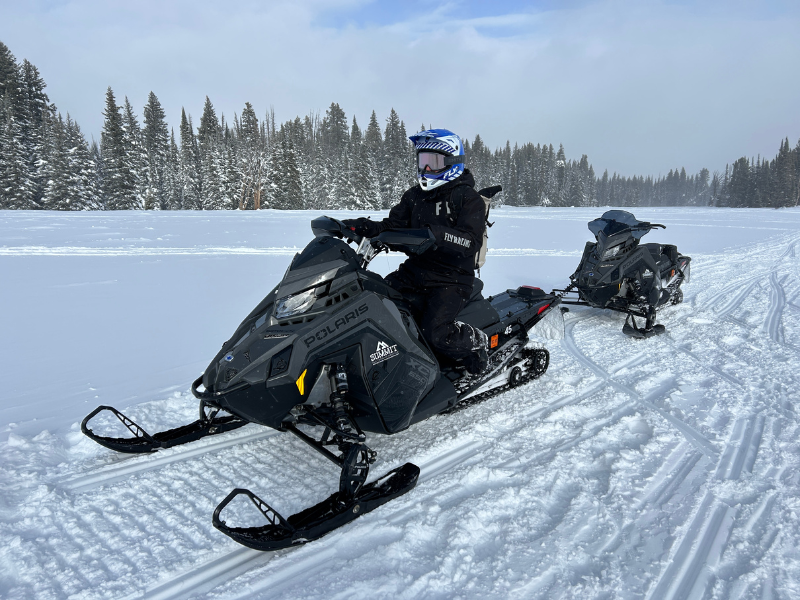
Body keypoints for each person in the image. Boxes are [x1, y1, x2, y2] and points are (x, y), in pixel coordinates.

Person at [343, 128, 488, 374]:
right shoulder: (414, 196)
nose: (427, 170)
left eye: (434, 162)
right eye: (423, 162)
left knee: (436, 333)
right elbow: (392, 225)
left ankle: (477, 341)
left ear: (451, 162)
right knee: (373, 304)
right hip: (415, 272)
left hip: (451, 279)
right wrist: (365, 227)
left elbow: (471, 242)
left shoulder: (467, 198)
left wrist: (437, 235)